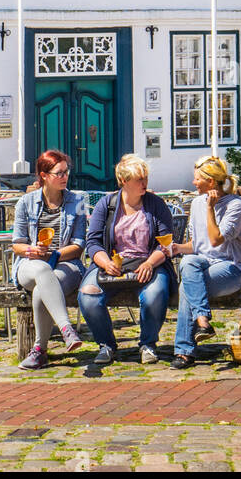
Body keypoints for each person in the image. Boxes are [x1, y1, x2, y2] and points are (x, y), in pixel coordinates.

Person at [79, 154, 174, 366]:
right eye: (139, 179)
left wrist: (150, 263)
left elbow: (166, 244)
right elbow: (93, 242)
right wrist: (105, 263)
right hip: (113, 264)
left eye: (146, 178)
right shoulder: (107, 205)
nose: (144, 184)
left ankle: (148, 343)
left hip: (149, 263)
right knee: (88, 294)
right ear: (124, 181)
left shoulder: (156, 205)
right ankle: (106, 344)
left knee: (155, 294)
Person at [10, 150, 89, 369]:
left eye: (66, 172)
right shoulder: (25, 203)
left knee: (40, 289)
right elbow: (17, 244)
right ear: (44, 175)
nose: (65, 177)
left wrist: (53, 255)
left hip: (66, 264)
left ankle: (39, 351)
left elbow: (79, 245)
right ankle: (66, 329)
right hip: (31, 265)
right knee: (43, 272)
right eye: (59, 173)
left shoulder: (77, 202)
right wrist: (32, 250)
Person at [168, 155, 241, 369]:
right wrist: (176, 248)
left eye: (197, 179)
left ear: (211, 182)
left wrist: (210, 209)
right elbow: (197, 245)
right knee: (189, 262)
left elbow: (215, 240)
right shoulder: (195, 203)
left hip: (231, 268)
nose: (193, 183)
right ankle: (203, 321)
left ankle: (184, 352)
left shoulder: (235, 205)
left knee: (187, 286)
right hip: (202, 264)